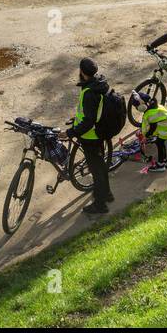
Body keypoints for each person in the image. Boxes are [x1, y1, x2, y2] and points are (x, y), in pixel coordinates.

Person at [66, 58, 114, 215]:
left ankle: (100, 206)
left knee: (96, 171)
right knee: (100, 166)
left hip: (91, 137)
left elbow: (89, 121)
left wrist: (71, 132)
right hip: (99, 133)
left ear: (81, 72)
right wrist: (76, 120)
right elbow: (91, 113)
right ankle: (107, 194)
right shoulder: (98, 83)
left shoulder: (89, 92)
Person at [132, 92, 167, 174]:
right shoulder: (153, 107)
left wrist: (146, 136)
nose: (136, 108)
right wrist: (142, 130)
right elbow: (151, 123)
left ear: (143, 106)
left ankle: (161, 165)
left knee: (159, 143)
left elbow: (152, 128)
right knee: (161, 143)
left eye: (136, 107)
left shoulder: (151, 113)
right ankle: (165, 160)